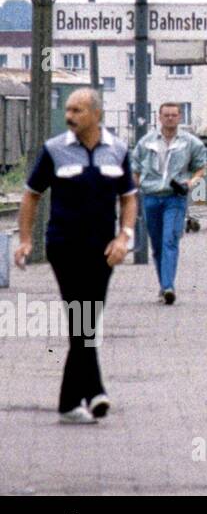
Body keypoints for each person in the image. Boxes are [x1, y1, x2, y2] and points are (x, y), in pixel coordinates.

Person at [14, 87, 138, 424]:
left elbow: (129, 197)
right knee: (81, 316)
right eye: (68, 109)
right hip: (65, 246)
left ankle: (71, 403)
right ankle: (94, 391)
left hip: (104, 250)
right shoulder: (54, 149)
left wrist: (124, 237)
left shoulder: (117, 150)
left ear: (96, 114)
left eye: (77, 110)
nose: (69, 116)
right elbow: (31, 195)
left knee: (88, 319)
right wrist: (25, 240)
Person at [130, 102, 207, 305]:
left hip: (174, 198)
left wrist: (191, 183)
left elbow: (201, 168)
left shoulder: (190, 143)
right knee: (156, 245)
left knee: (169, 240)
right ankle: (164, 284)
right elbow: (135, 168)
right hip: (151, 197)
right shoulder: (146, 142)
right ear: (159, 117)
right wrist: (134, 191)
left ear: (180, 117)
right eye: (166, 115)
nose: (170, 118)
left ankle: (168, 287)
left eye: (174, 115)